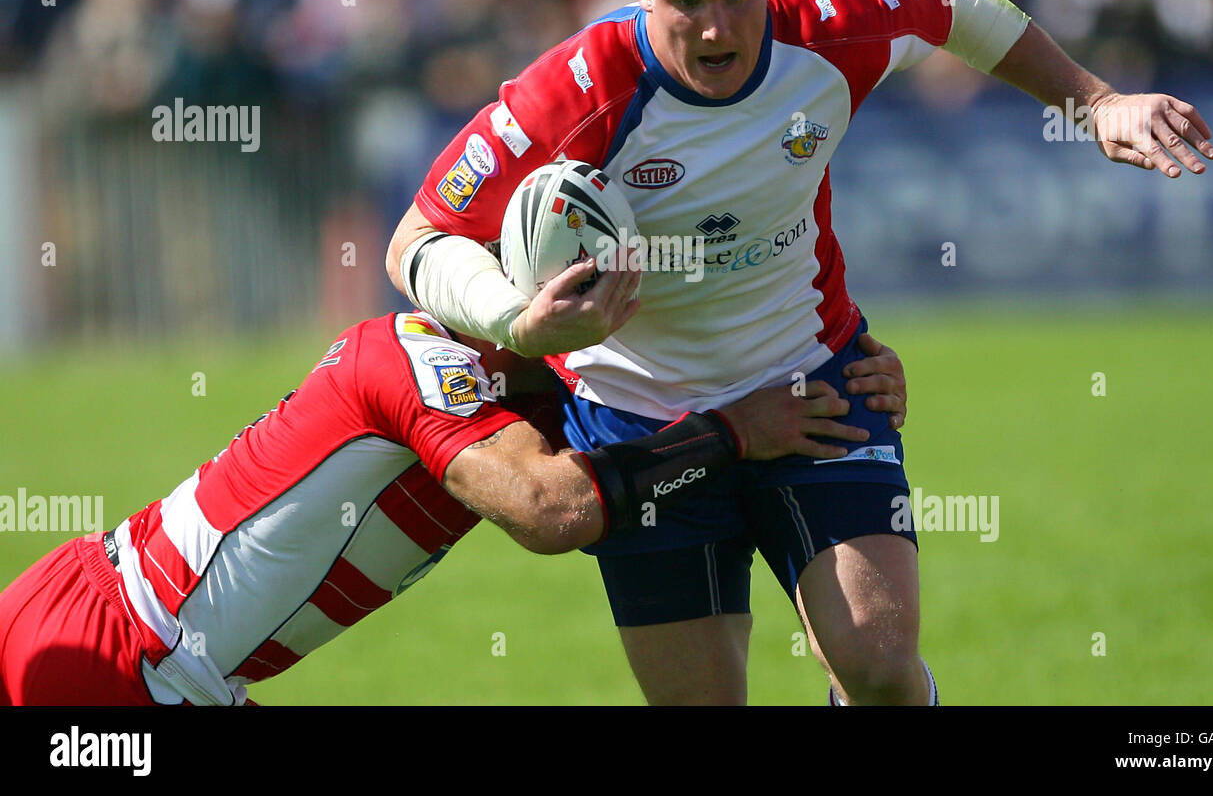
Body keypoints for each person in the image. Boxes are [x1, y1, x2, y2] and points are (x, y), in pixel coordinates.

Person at [385, 0, 1213, 705]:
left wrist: (1096, 101)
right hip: (642, 424)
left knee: (879, 668)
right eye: (686, 2)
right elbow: (415, 240)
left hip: (815, 385)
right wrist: (516, 321)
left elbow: (951, 1)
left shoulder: (828, 19)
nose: (716, 27)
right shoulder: (574, 90)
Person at [0, 290, 904, 706]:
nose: (622, 310)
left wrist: (846, 368)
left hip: (108, 617)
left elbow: (668, 414)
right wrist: (739, 431)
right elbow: (557, 511)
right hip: (123, 655)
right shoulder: (414, 359)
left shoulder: (548, 389)